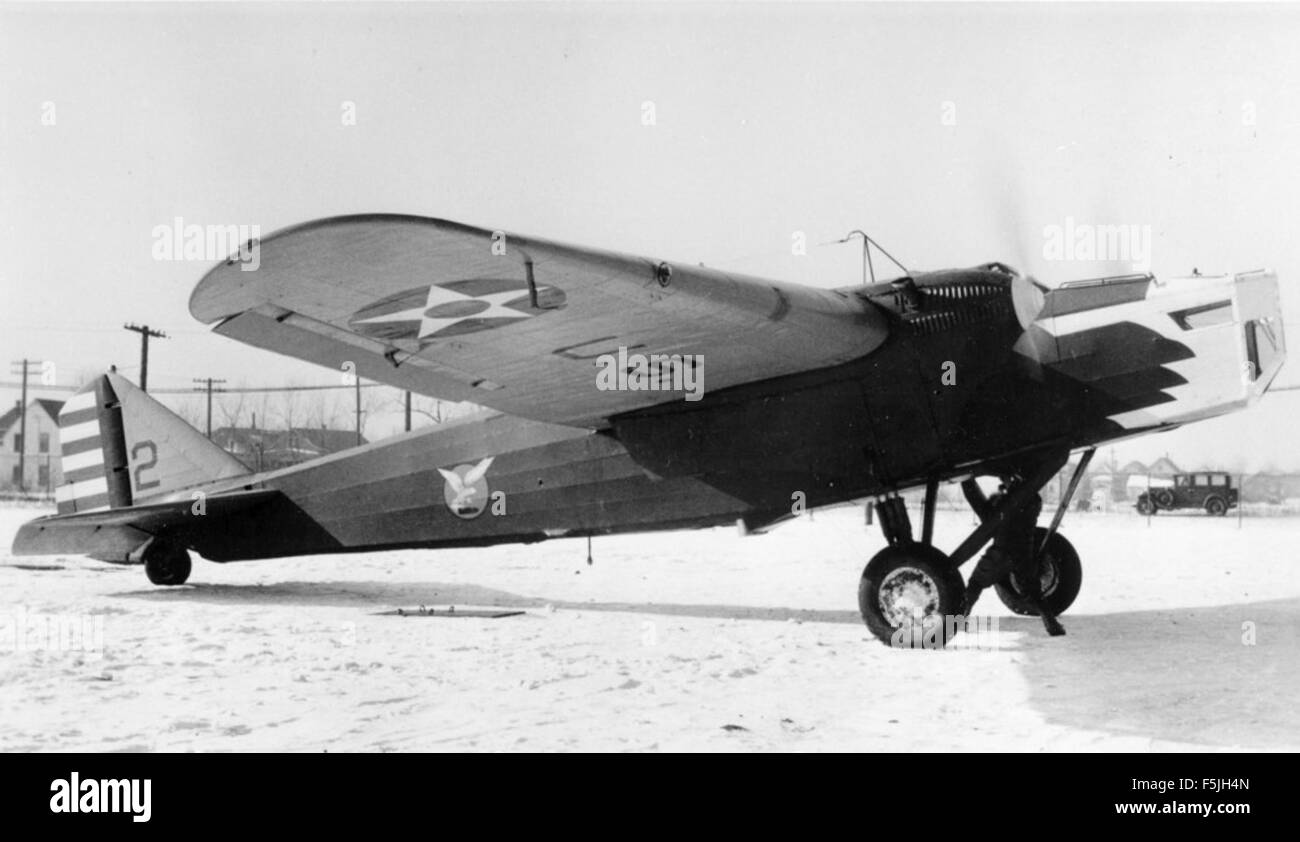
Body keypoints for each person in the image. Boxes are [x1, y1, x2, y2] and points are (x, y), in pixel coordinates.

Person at [962, 487, 1066, 636]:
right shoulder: (1033, 504)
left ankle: (960, 619)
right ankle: (1052, 624)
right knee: (1034, 592)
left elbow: (974, 498)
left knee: (976, 583)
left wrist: (967, 482)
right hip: (1023, 554)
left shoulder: (996, 510)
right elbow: (1030, 493)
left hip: (1000, 554)